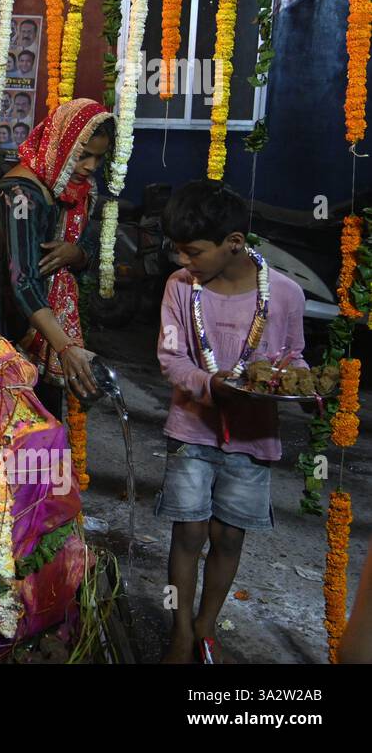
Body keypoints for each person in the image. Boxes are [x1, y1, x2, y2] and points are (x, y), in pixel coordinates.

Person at [155, 180, 307, 664]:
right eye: (177, 251)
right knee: (189, 534)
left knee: (227, 536)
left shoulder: (284, 294)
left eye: (193, 251)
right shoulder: (181, 287)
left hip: (252, 437)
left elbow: (294, 358)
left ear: (234, 243)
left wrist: (302, 386)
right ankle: (180, 629)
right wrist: (208, 384)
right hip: (192, 430)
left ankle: (205, 625)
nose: (184, 261)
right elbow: (171, 357)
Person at [0, 98, 114, 416]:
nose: (90, 167)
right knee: (13, 426)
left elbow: (88, 251)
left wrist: (77, 254)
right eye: (83, 155)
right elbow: (22, 280)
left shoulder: (72, 189)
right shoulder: (20, 196)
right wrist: (65, 347)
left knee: (46, 427)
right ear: (60, 144)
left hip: (53, 334)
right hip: (12, 331)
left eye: (98, 158)